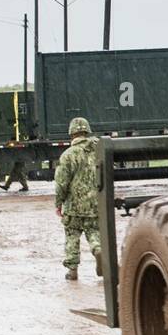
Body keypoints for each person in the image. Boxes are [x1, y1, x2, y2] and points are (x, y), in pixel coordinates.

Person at [54, 117, 101, 280]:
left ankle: (72, 271)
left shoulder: (68, 155)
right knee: (94, 233)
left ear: (71, 134)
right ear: (87, 131)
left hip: (73, 205)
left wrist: (58, 203)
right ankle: (98, 250)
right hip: (95, 204)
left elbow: (61, 182)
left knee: (72, 236)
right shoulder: (98, 150)